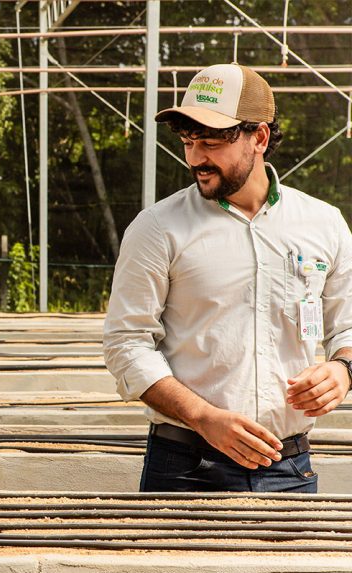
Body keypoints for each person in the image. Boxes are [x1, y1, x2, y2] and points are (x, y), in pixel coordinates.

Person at [104, 63, 352, 493]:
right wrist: (204, 417)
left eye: (212, 141)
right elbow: (126, 344)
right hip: (185, 466)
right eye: (188, 141)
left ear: (258, 138)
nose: (196, 157)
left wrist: (342, 369)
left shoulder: (323, 224)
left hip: (289, 468)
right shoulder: (158, 228)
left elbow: (347, 323)